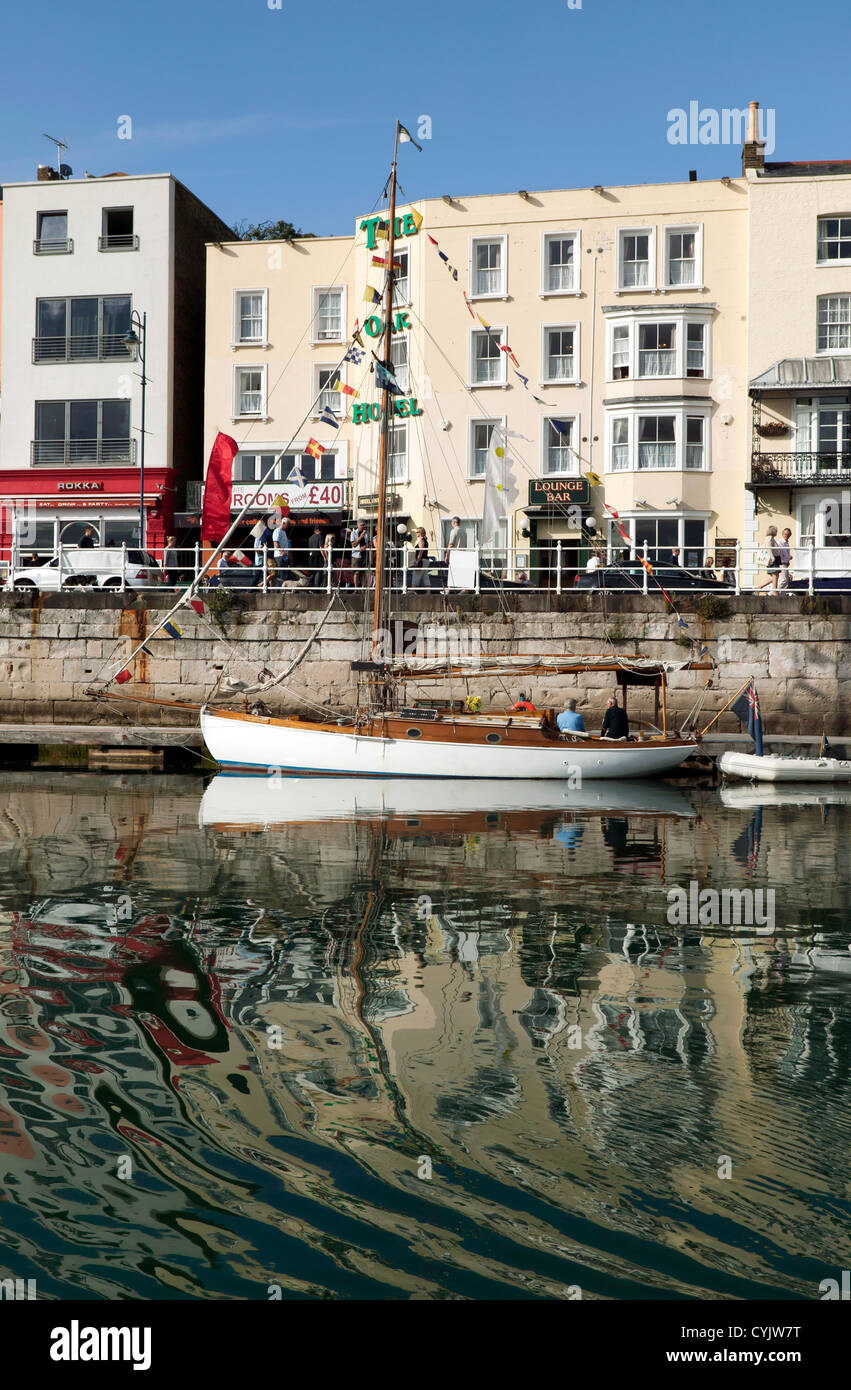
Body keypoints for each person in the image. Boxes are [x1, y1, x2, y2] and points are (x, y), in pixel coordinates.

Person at [757, 524, 782, 591]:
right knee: (775, 576)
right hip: (772, 559)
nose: (777, 532)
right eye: (776, 531)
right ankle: (774, 592)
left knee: (774, 577)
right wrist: (772, 558)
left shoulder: (771, 538)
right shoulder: (769, 538)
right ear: (773, 531)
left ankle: (758, 588)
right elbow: (769, 548)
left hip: (774, 559)